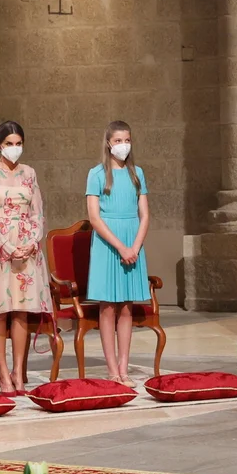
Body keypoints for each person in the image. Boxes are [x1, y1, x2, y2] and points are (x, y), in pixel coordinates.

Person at [0, 121, 52, 394]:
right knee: (0, 311)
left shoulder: (29, 173)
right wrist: (6, 245)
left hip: (26, 250)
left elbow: (37, 212)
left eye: (18, 144)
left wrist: (31, 242)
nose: (14, 148)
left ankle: (18, 372)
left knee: (21, 310)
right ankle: (3, 374)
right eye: (9, 144)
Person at [84, 121, 150, 386]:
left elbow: (145, 215)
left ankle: (124, 368)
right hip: (108, 244)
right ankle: (112, 369)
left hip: (133, 242)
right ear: (109, 143)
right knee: (108, 307)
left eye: (127, 140)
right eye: (118, 140)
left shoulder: (137, 173)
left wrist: (134, 246)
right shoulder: (97, 174)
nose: (123, 145)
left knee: (126, 308)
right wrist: (121, 247)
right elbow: (94, 217)